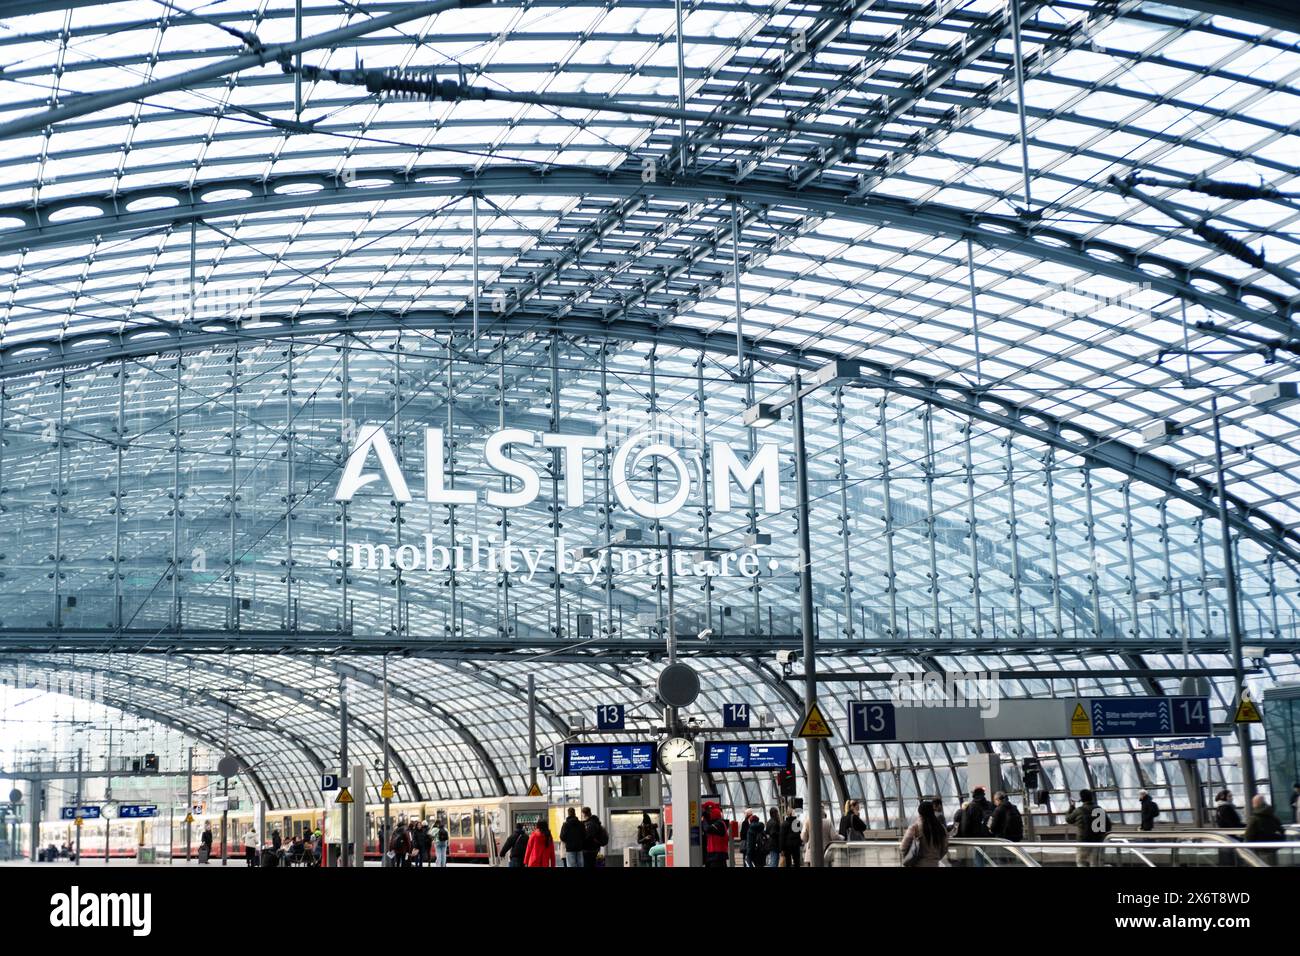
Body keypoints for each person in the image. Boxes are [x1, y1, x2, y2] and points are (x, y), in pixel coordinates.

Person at [1066, 789, 1110, 867]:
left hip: (1083, 841)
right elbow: (1108, 826)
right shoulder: (1100, 809)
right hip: (1098, 841)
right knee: (1095, 863)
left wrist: (1072, 806)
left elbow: (1069, 819)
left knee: (1081, 862)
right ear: (1091, 797)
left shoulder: (1079, 810)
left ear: (1081, 799)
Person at [900, 800, 949, 867]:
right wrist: (935, 858)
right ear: (932, 811)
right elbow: (945, 849)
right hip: (934, 864)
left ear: (919, 812)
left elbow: (903, 847)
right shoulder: (941, 828)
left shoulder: (915, 827)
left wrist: (909, 855)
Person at [1244, 794, 1285, 865]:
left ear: (1255, 804)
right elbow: (1281, 830)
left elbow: (1248, 835)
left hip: (1259, 849)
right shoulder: (1272, 815)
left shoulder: (1254, 818)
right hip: (1273, 847)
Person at [701, 801, 729, 868]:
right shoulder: (720, 823)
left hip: (717, 855)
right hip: (716, 855)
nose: (709, 814)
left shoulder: (719, 824)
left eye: (711, 813)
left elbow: (707, 829)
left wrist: (703, 820)